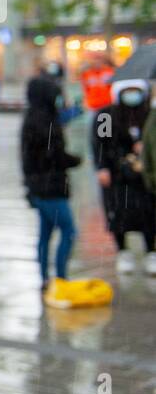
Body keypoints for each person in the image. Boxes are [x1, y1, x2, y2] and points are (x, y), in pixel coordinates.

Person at [21, 75, 81, 295]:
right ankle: (61, 277)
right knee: (68, 230)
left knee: (45, 233)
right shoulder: (42, 122)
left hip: (40, 186)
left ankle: (45, 278)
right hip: (49, 187)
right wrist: (75, 160)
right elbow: (52, 155)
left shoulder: (36, 118)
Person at [92, 79, 156, 275]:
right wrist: (102, 167)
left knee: (149, 213)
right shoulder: (106, 115)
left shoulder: (149, 115)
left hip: (143, 174)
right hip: (117, 174)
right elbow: (99, 143)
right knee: (119, 212)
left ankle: (151, 251)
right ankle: (123, 251)